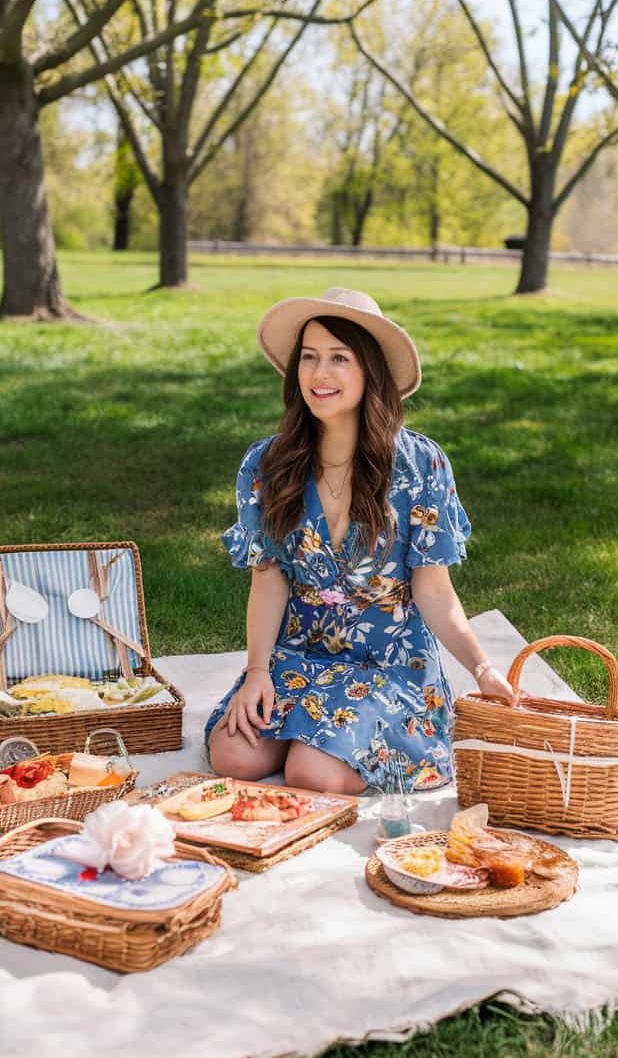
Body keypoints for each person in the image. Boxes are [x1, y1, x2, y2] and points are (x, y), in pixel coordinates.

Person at [204, 287, 514, 795]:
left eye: (338, 358)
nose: (318, 375)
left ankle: (330, 744)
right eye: (308, 358)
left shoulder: (419, 466)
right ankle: (298, 726)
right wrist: (257, 670)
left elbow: (434, 591)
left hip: (389, 667)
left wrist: (482, 669)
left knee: (312, 773)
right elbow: (268, 580)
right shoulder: (267, 466)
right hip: (299, 659)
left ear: (371, 370)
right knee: (233, 756)